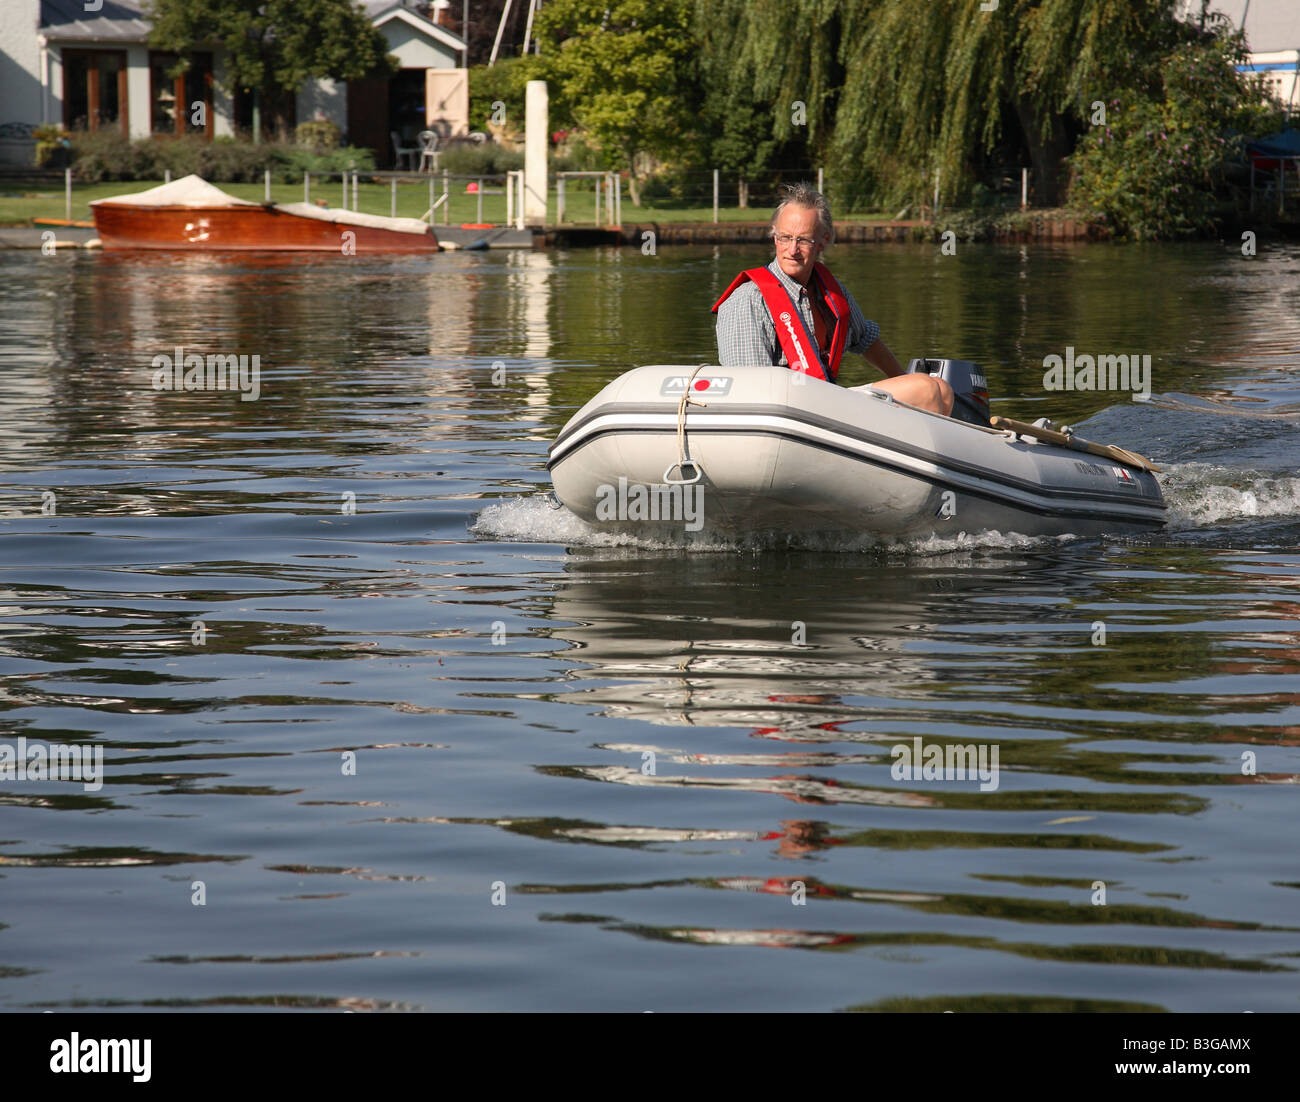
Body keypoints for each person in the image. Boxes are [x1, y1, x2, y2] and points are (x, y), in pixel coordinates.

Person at [712, 183, 953, 415]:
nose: (792, 249)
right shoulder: (747, 300)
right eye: (784, 237)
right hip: (791, 416)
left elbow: (866, 340)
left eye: (803, 240)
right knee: (926, 389)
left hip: (827, 404)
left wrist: (903, 380)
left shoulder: (831, 291)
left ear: (823, 241)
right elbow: (751, 390)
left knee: (941, 389)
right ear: (774, 237)